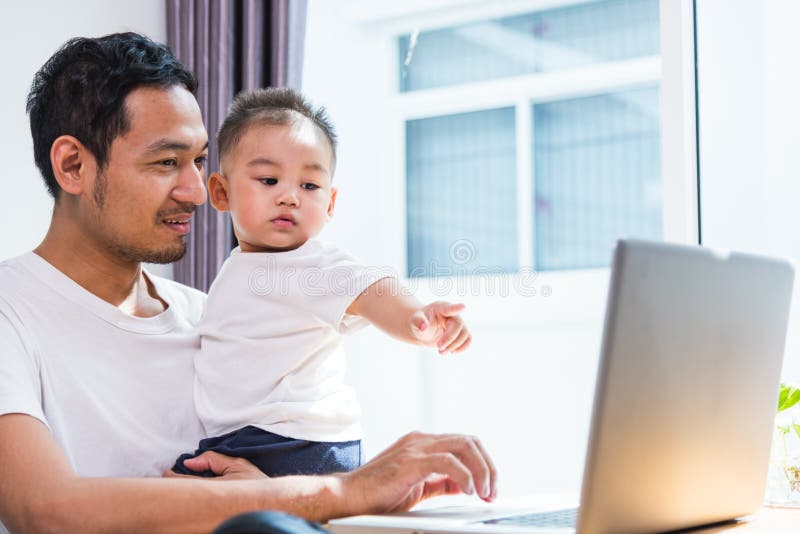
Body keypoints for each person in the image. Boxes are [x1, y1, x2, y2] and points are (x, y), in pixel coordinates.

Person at [0, 32, 496, 533]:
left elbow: (257, 492)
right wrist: (344, 490)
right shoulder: (10, 311)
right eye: (167, 162)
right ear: (73, 165)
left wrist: (285, 496)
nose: (196, 190)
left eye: (198, 160)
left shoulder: (212, 315)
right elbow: (45, 512)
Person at [171, 88, 472, 479]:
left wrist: (416, 317)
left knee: (174, 490)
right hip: (264, 439)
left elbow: (369, 288)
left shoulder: (309, 264)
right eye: (268, 179)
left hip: (290, 442)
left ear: (330, 204)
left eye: (309, 186)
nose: (290, 197)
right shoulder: (243, 267)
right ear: (221, 192)